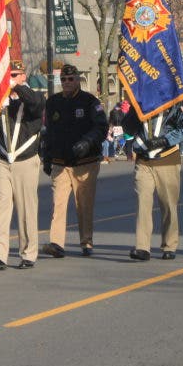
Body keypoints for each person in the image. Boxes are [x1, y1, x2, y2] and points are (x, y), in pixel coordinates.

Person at [0, 60, 45, 270]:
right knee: (1, 207)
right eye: (8, 75)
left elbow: (35, 105)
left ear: (23, 76)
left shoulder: (34, 97)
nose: (11, 79)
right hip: (2, 161)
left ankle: (28, 253)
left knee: (26, 208)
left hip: (25, 161)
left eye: (15, 74)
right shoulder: (1, 101)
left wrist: (15, 86)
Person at [41, 63, 109, 257]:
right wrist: (46, 156)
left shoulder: (89, 101)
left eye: (71, 79)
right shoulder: (53, 102)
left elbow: (101, 127)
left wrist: (87, 142)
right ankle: (56, 243)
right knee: (58, 205)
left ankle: (86, 242)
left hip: (84, 162)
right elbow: (48, 132)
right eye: (63, 79)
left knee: (84, 205)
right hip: (60, 163)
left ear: (78, 80)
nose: (67, 83)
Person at [122, 102, 183, 261]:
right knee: (143, 202)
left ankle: (169, 244)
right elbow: (128, 128)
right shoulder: (139, 103)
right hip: (143, 160)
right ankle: (142, 247)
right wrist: (134, 111)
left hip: (167, 159)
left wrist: (164, 141)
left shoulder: (174, 104)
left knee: (168, 204)